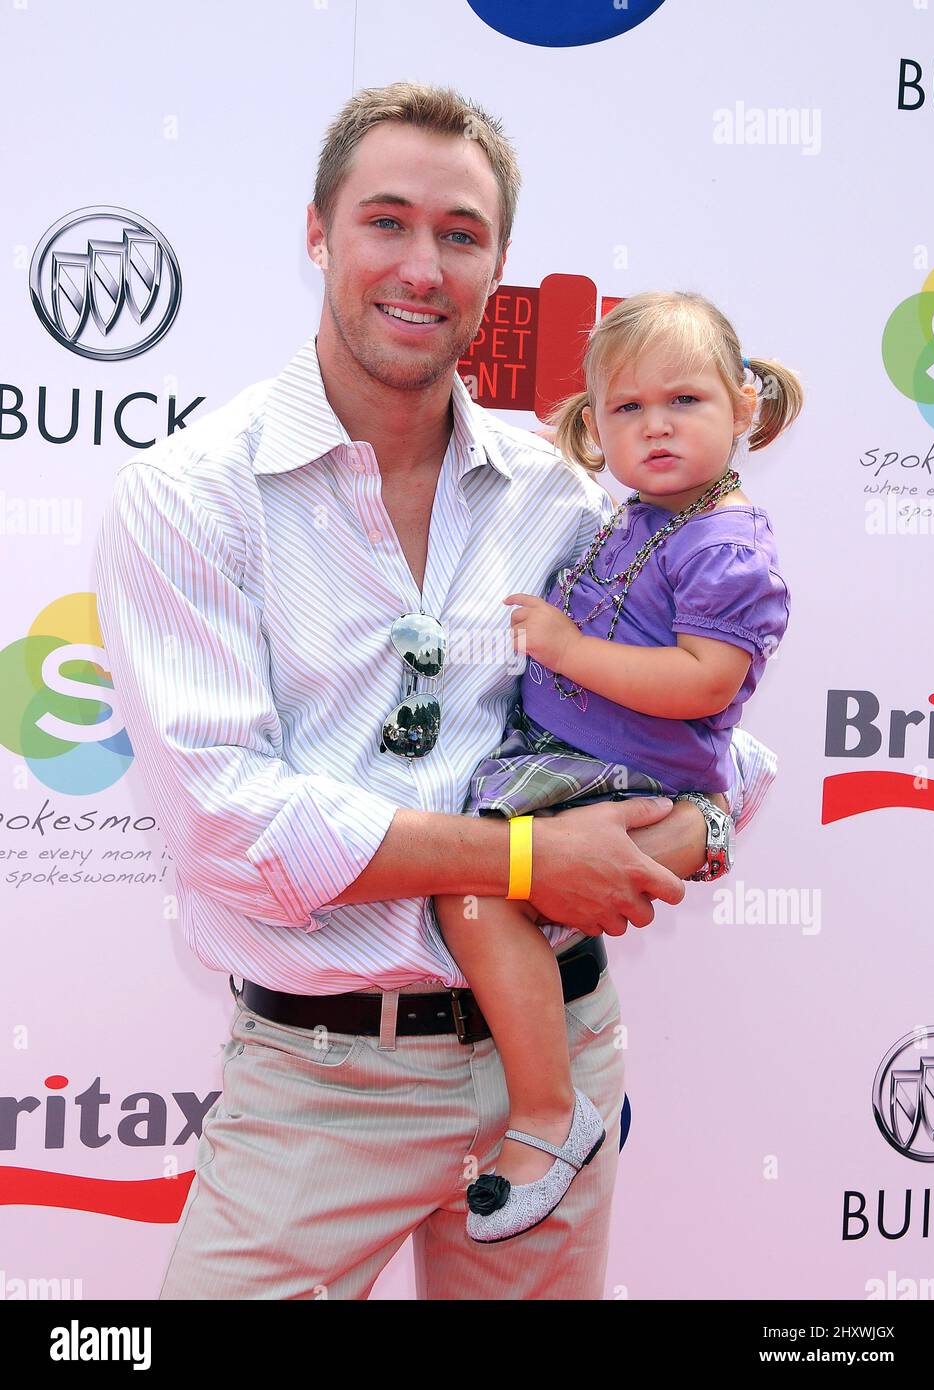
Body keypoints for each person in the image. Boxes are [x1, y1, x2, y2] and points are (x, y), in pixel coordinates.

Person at [93, 82, 779, 1301]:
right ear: (317, 231)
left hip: (557, 1059)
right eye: (385, 221)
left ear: (498, 263)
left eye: (458, 234)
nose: (421, 265)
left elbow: (709, 729)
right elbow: (229, 823)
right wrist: (523, 864)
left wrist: (699, 822)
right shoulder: (192, 495)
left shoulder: (566, 496)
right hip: (320, 1082)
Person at [433, 290, 801, 1242]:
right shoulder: (642, 515)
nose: (658, 427)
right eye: (628, 410)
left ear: (744, 408)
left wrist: (561, 650)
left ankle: (550, 1113)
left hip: (610, 781)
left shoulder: (727, 543)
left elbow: (702, 681)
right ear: (596, 429)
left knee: (471, 896)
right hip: (568, 763)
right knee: (476, 889)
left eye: (685, 401)